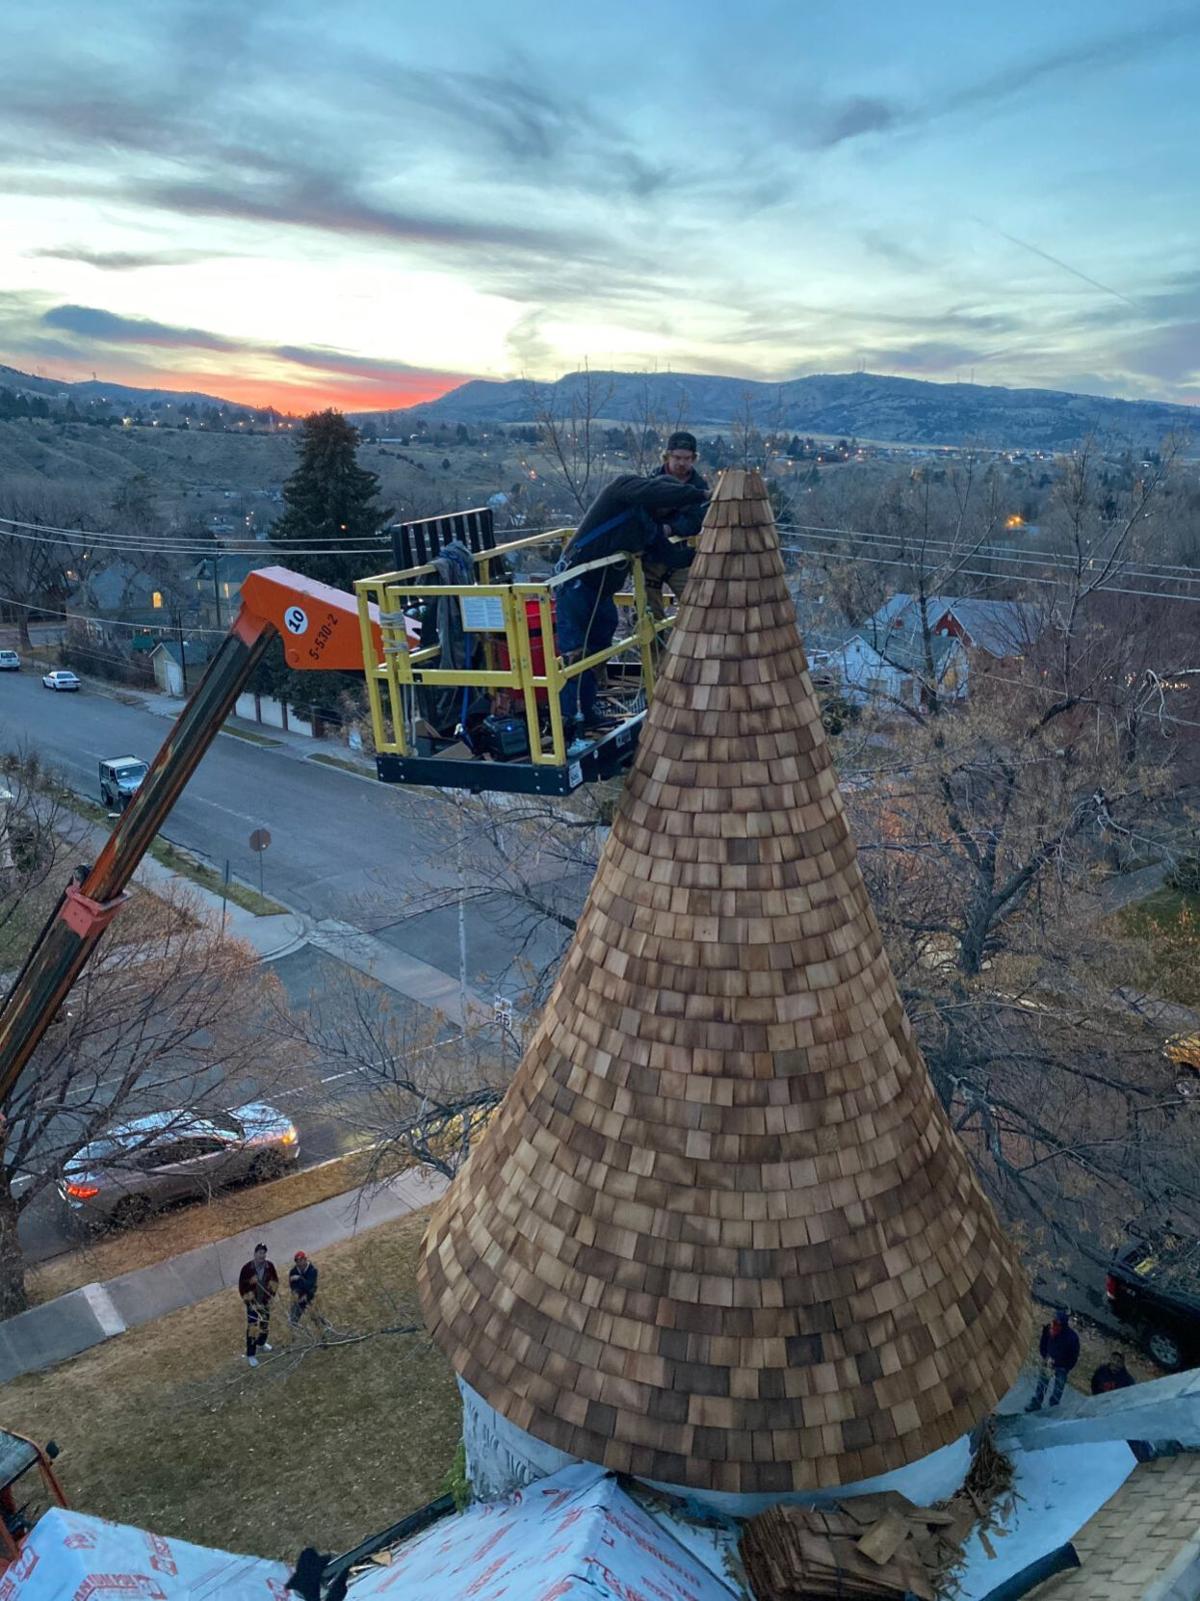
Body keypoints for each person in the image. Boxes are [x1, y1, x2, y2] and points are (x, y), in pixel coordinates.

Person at [555, 471, 706, 734]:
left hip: (599, 592)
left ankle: (587, 712)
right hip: (575, 584)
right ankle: (568, 720)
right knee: (575, 653)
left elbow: (670, 557)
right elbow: (661, 493)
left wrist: (708, 551)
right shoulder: (622, 490)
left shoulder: (649, 526)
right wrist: (703, 495)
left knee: (598, 647)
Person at [1026, 1307, 1081, 1410]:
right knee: (1042, 1384)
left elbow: (1074, 1354)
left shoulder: (1071, 1337)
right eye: (1055, 1319)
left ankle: (1053, 1407)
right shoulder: (1049, 1328)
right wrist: (1045, 1356)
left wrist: (1067, 1367)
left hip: (1062, 1366)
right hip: (1049, 1362)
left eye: (1058, 1320)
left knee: (1058, 1389)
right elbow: (1043, 1342)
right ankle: (1037, 1403)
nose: (1056, 1321)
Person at [238, 1242, 279, 1367]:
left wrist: (271, 1296)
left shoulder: (269, 1266)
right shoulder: (247, 1268)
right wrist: (249, 1301)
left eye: (264, 1253)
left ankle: (261, 1343)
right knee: (252, 1328)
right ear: (255, 1254)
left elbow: (275, 1281)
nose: (262, 1255)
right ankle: (251, 1354)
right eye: (260, 1253)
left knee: (265, 1324)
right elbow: (242, 1287)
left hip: (265, 1302)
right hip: (253, 1304)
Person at [289, 1250, 319, 1328]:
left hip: (311, 1296)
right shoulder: (293, 1272)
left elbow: (310, 1286)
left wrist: (299, 1278)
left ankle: (323, 1334)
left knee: (317, 1319)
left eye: (301, 1260)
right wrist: (297, 1296)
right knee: (293, 1320)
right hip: (299, 1298)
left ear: (305, 1260)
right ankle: (297, 1333)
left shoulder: (313, 1270)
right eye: (298, 1261)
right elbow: (293, 1287)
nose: (300, 1263)